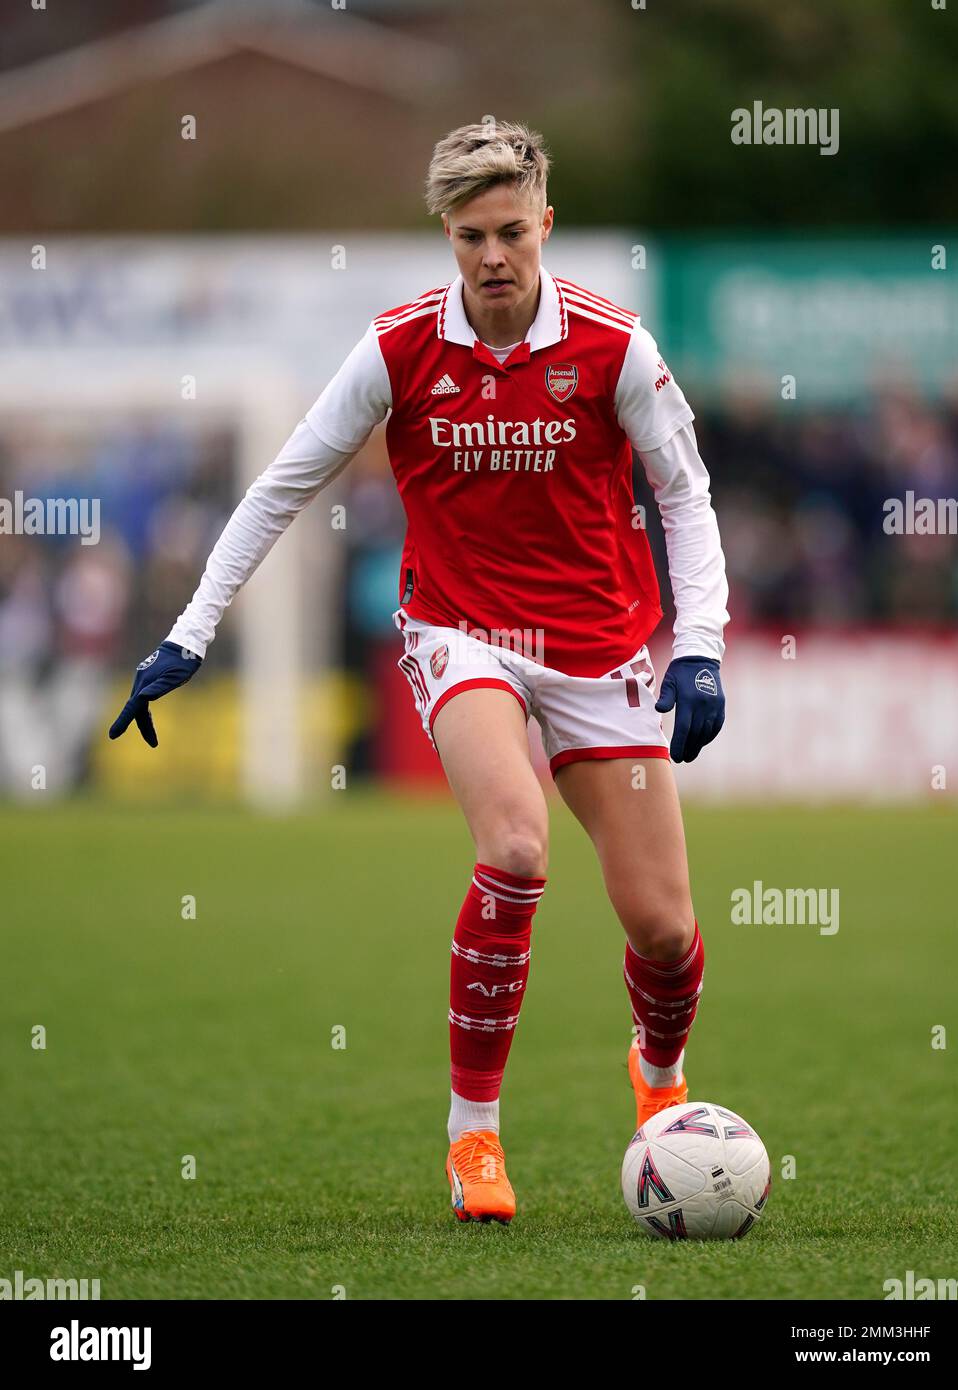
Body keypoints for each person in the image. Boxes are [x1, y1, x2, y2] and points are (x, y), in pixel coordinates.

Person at [110, 121, 730, 1226]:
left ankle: (659, 1073)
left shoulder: (613, 346)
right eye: (467, 236)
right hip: (462, 630)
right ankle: (473, 1137)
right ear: (445, 235)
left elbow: (682, 494)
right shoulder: (398, 349)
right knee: (514, 847)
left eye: (508, 232)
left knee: (665, 932)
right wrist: (190, 633)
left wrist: (699, 648)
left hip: (597, 646)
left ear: (543, 223)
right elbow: (279, 487)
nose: (490, 257)